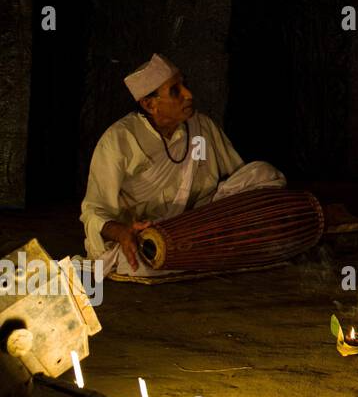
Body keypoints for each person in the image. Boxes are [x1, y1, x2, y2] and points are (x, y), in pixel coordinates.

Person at [80, 54, 286, 276]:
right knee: (142, 262)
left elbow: (238, 178)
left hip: (203, 225)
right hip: (151, 236)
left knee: (264, 173)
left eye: (185, 85)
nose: (189, 95)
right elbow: (93, 210)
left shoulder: (201, 127)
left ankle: (208, 248)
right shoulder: (118, 140)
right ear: (150, 105)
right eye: (176, 91)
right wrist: (121, 232)